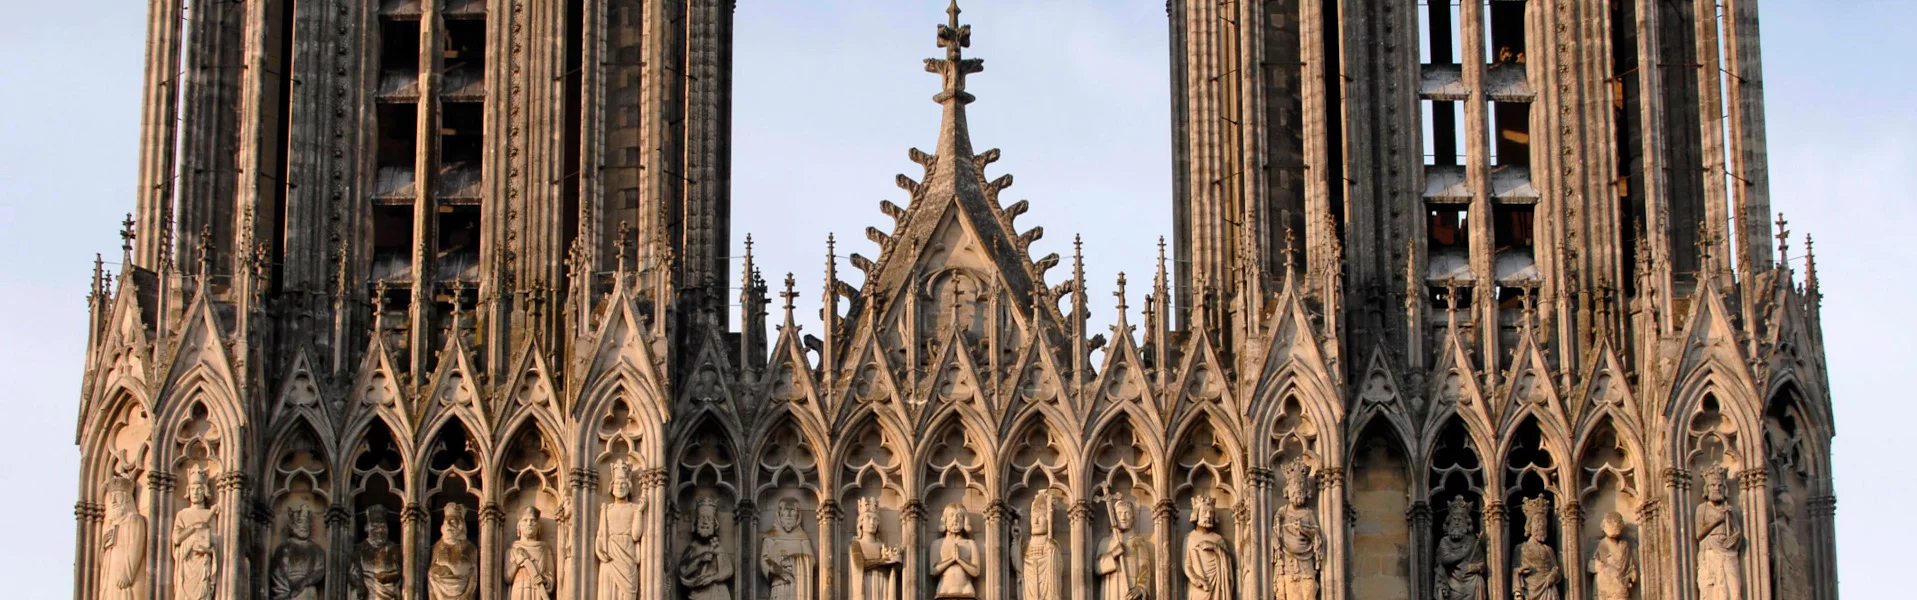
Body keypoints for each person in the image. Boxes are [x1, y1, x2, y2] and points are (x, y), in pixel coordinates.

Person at [597, 459, 647, 600]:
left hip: (627, 554)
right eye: (617, 483)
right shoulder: (606, 509)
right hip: (610, 556)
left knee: (629, 593)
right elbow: (601, 535)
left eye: (623, 483)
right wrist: (599, 551)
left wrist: (639, 512)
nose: (620, 486)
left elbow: (636, 535)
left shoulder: (634, 508)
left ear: (629, 487)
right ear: (612, 487)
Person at [1271, 461, 1321, 600]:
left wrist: (1303, 529)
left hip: (1306, 563)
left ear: (1306, 490)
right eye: (1294, 486)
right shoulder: (1282, 512)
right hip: (1288, 562)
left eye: (1301, 486)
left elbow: (1317, 536)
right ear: (1288, 490)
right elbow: (1274, 533)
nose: (1297, 489)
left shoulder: (1308, 513)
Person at [1694, 468, 1743, 600]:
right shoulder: (1702, 509)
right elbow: (1699, 534)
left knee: (1734, 590)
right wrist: (1717, 520)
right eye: (1713, 485)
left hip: (1728, 552)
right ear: (1707, 488)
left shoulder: (1729, 509)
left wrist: (1734, 538)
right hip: (1711, 552)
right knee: (1715, 589)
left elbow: (1737, 530)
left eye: (1720, 485)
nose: (1716, 488)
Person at [171, 467, 219, 600]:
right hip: (186, 564)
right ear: (188, 491)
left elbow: (215, 543)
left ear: (205, 491)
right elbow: (177, 539)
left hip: (202, 564)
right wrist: (194, 527)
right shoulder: (182, 514)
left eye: (199, 489)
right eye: (192, 489)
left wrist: (207, 550)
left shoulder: (210, 515)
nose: (195, 492)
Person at [100, 475, 147, 600]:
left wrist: (127, 573)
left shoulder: (134, 519)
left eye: (117, 496)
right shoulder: (111, 525)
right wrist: (103, 547)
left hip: (125, 577)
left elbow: (135, 547)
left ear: (126, 497)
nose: (113, 501)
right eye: (111, 497)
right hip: (111, 577)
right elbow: (104, 562)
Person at [1094, 497, 1151, 600]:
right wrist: (1113, 554)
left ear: (1133, 518)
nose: (1123, 518)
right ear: (1114, 518)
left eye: (1127, 513)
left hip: (1130, 593)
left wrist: (1140, 587)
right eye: (1119, 514)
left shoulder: (1138, 542)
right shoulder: (1106, 542)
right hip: (1111, 593)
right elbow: (1098, 568)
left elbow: (1144, 568)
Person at [679, 498, 735, 600]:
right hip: (698, 593)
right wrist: (700, 559)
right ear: (695, 524)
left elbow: (728, 570)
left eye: (709, 519)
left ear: (714, 525)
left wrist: (713, 578)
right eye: (702, 519)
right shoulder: (692, 547)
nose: (705, 523)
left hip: (717, 592)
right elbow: (683, 572)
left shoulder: (717, 547)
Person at [760, 498, 816, 600]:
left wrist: (793, 561)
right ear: (780, 514)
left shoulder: (802, 537)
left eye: (792, 511)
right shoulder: (770, 537)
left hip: (798, 586)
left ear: (797, 516)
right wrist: (776, 569)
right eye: (786, 510)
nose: (789, 515)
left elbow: (811, 560)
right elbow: (764, 559)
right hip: (779, 585)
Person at [1182, 497, 1234, 600]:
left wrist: (1215, 547)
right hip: (1199, 588)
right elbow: (1186, 563)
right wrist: (1195, 579)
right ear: (1196, 514)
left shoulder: (1218, 539)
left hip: (1217, 585)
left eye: (1211, 513)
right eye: (1205, 512)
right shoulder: (1189, 538)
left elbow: (1228, 562)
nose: (1208, 516)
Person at [270, 503, 326, 600]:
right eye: (300, 522)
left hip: (307, 590)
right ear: (292, 525)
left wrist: (304, 582)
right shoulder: (283, 548)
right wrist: (286, 591)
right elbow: (277, 573)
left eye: (306, 523)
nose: (304, 526)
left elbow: (320, 571)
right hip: (286, 589)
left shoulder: (316, 549)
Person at [849, 498, 901, 600]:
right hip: (866, 582)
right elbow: (859, 566)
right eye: (868, 518)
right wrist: (882, 562)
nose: (872, 523)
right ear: (860, 522)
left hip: (882, 583)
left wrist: (895, 562)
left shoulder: (882, 546)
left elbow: (892, 569)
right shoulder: (856, 544)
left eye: (875, 519)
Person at [1434, 496, 1485, 600]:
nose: (1456, 523)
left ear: (1466, 523)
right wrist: (1463, 554)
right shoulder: (1445, 541)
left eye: (1460, 520)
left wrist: (1474, 567)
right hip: (1451, 579)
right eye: (1454, 520)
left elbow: (1482, 563)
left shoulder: (1472, 541)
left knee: (1477, 580)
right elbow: (1445, 559)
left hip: (1469, 578)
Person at [1510, 496, 1561, 600]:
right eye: (1537, 521)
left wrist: (1553, 575)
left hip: (1548, 590)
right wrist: (1519, 571)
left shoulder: (1548, 550)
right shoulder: (1521, 548)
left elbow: (1557, 571)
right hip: (1529, 591)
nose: (1541, 525)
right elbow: (1514, 570)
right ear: (1529, 525)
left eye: (1543, 522)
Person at [350, 506, 402, 600]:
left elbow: (399, 572)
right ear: (367, 528)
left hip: (388, 590)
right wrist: (360, 584)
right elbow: (353, 572)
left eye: (382, 526)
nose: (380, 530)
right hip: (367, 591)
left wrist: (387, 577)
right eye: (375, 525)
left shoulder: (393, 548)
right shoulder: (361, 548)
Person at [428, 503, 479, 600]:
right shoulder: (438, 546)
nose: (448, 525)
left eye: (452, 522)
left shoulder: (470, 547)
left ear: (460, 525)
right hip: (441, 592)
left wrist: (467, 594)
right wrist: (439, 571)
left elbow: (474, 574)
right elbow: (431, 573)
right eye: (446, 522)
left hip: (462, 592)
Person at [933, 503, 981, 600]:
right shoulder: (937, 544)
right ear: (945, 520)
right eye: (951, 516)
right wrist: (952, 559)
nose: (955, 519)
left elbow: (976, 571)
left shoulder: (970, 543)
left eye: (959, 516)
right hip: (944, 588)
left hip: (966, 588)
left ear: (964, 520)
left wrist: (959, 560)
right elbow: (933, 571)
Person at [1020, 493, 1061, 600]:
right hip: (1030, 589)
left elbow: (1058, 567)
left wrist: (1051, 551)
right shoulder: (1026, 545)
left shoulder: (1051, 545)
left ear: (1048, 520)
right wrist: (1015, 542)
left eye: (1040, 517)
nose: (1035, 522)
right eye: (1033, 518)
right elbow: (1018, 566)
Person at [1587, 512, 1636, 600]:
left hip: (1620, 586)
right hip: (1605, 586)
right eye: (1611, 523)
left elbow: (1630, 566)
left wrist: (1631, 573)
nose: (1614, 526)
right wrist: (1597, 566)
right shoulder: (1602, 545)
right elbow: (1591, 565)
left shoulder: (1623, 545)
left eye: (1617, 523)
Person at [510, 507, 556, 600]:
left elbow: (550, 575)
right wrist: (516, 564)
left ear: (538, 526)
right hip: (519, 591)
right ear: (519, 526)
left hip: (538, 591)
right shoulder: (513, 550)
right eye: (525, 520)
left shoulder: (545, 549)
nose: (529, 523)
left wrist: (544, 579)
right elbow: (508, 577)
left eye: (533, 520)